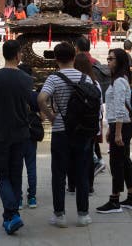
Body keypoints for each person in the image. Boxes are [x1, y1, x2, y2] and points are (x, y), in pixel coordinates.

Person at [38, 42, 94, 228]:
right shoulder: (85, 78)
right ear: (73, 56)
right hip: (81, 131)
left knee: (59, 173)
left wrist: (51, 116)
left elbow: (41, 99)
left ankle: (59, 215)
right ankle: (83, 214)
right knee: (81, 172)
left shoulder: (54, 78)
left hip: (61, 130)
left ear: (56, 58)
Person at [0, 41, 34, 235]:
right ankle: (10, 217)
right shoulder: (26, 79)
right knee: (15, 173)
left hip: (1, 131)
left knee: (2, 174)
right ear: (18, 55)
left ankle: (11, 213)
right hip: (20, 131)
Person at [97, 48, 132, 213]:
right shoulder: (118, 80)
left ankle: (115, 199)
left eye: (111, 59)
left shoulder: (120, 81)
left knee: (116, 162)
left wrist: (118, 132)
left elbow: (120, 107)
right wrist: (110, 129)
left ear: (119, 61)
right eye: (107, 58)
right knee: (125, 161)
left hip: (123, 125)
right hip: (119, 125)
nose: (108, 61)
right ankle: (131, 197)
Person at [75, 36, 108, 178]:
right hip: (95, 104)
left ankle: (93, 163)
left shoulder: (77, 62)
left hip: (81, 103)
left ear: (77, 48)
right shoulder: (95, 62)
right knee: (93, 136)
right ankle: (97, 160)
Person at [72, 53, 103, 196]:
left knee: (73, 154)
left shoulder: (74, 82)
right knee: (88, 154)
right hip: (91, 124)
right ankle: (89, 185)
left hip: (75, 124)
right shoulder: (95, 83)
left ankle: (72, 183)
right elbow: (100, 106)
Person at [18, 60, 40, 210]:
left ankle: (18, 198)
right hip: (32, 133)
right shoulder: (34, 95)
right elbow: (42, 116)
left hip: (17, 133)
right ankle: (32, 197)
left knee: (17, 167)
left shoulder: (14, 94)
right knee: (31, 166)